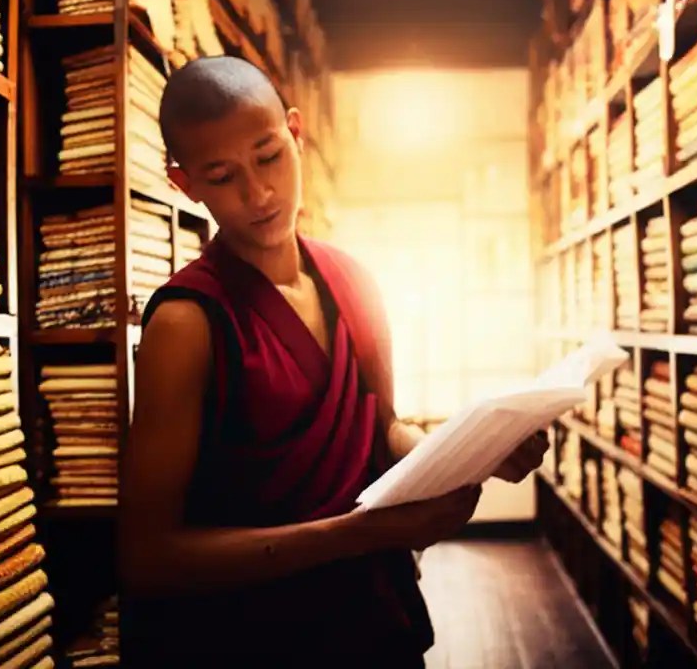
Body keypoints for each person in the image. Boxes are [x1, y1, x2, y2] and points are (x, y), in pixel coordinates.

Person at [119, 56, 549, 667]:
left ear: (296, 132)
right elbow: (148, 558)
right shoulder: (187, 322)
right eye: (221, 176)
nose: (258, 193)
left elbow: (385, 430)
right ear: (184, 183)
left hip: (369, 621)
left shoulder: (354, 279)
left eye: (269, 156)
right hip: (243, 638)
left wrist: (470, 451)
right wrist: (361, 534)